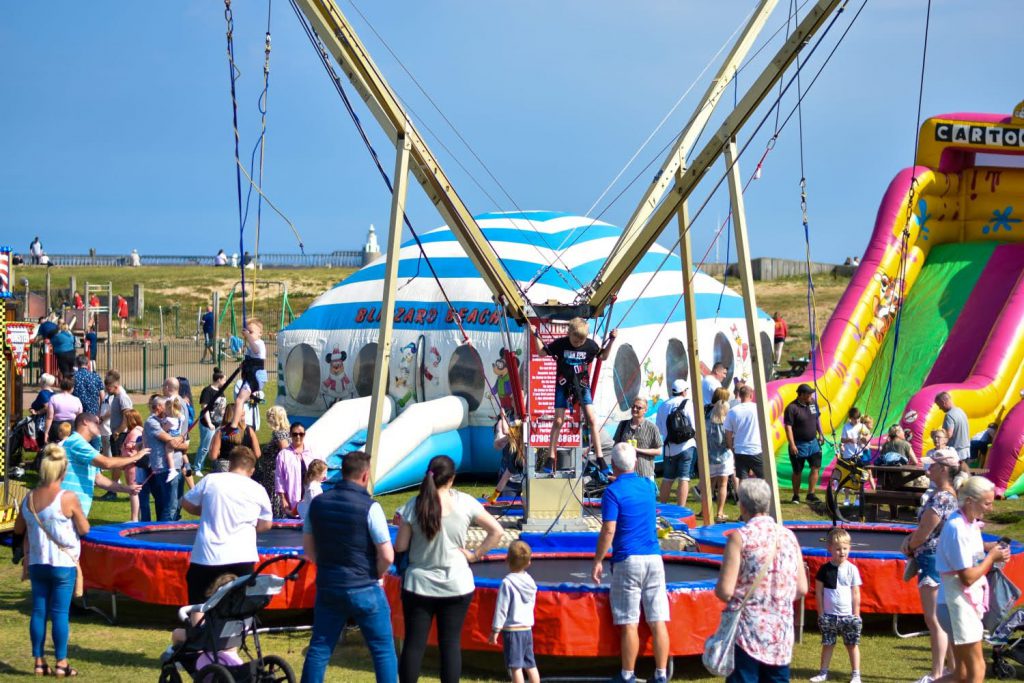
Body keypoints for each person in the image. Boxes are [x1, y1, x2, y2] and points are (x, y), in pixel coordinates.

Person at [394, 455, 503, 683]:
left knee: (414, 645)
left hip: (418, 584)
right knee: (450, 645)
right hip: (456, 584)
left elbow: (401, 546)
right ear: (451, 479)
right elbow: (497, 531)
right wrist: (475, 555)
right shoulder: (465, 502)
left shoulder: (413, 505)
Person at [300, 451, 396, 683]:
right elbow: (387, 555)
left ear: (342, 473)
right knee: (382, 650)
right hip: (364, 586)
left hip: (329, 585)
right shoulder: (370, 507)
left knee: (320, 649)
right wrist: (375, 573)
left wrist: (326, 567)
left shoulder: (318, 504)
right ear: (365, 476)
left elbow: (309, 550)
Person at [592, 442, 670, 683]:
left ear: (613, 465)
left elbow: (608, 529)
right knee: (657, 620)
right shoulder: (648, 486)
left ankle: (627, 674)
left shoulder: (613, 492)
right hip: (654, 558)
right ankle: (660, 673)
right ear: (635, 463)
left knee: (629, 621)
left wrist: (598, 560)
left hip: (628, 560)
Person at [715, 478, 807, 682]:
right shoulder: (788, 537)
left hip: (747, 631)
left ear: (742, 505)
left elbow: (725, 590)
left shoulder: (740, 538)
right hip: (780, 632)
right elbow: (801, 587)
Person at [14, 444, 90, 678]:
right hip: (63, 563)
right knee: (59, 614)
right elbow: (85, 529)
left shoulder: (28, 498)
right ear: (62, 471)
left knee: (39, 611)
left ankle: (38, 661)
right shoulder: (67, 498)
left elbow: (18, 529)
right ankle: (61, 662)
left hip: (37, 562)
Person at [934, 476, 1011, 683]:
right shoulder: (957, 528)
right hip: (956, 604)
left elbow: (968, 552)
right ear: (970, 501)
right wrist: (992, 558)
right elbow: (967, 577)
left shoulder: (968, 523)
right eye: (987, 503)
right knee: (977, 668)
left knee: (962, 674)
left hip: (957, 604)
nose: (991, 508)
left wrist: (989, 548)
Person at [180, 446, 273, 606]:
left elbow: (186, 503)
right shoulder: (258, 489)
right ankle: (235, 630)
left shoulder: (212, 480)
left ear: (230, 465)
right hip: (242, 556)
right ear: (251, 470)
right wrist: (250, 528)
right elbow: (266, 524)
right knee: (238, 606)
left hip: (208, 555)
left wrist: (208, 511)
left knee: (198, 604)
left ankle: (197, 629)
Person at [528, 318, 617, 472]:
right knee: (558, 420)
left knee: (592, 418)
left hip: (582, 386)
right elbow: (541, 353)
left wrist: (612, 340)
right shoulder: (561, 344)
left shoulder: (590, 345)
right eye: (575, 340)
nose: (578, 343)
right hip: (563, 385)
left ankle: (600, 457)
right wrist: (535, 335)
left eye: (581, 340)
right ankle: (551, 457)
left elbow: (603, 356)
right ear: (569, 334)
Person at [904, 449, 960, 683]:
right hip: (937, 558)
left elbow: (926, 531)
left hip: (931, 559)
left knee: (934, 619)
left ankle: (937, 673)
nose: (929, 469)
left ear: (944, 469)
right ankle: (952, 669)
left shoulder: (942, 497)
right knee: (941, 618)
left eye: (934, 465)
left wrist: (908, 544)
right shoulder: (945, 495)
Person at [61, 413, 145, 516]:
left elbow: (98, 479)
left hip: (78, 508)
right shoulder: (76, 442)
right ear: (85, 422)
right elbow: (106, 463)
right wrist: (135, 457)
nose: (99, 426)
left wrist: (126, 489)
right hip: (66, 506)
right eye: (96, 422)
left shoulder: (86, 446)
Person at [810, 527, 863, 683]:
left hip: (848, 616)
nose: (842, 552)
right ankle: (823, 672)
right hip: (829, 615)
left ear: (850, 549)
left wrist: (856, 613)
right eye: (838, 549)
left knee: (852, 644)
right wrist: (821, 613)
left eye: (845, 549)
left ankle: (856, 674)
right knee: (827, 644)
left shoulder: (852, 569)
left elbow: (856, 593)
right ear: (830, 549)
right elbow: (818, 592)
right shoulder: (824, 570)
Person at [489, 539, 540, 683]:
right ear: (529, 562)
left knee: (515, 666)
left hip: (513, 630)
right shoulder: (530, 581)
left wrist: (495, 631)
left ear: (507, 560)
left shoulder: (507, 583)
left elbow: (501, 609)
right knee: (530, 664)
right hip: (527, 629)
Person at [143, 394, 189, 521]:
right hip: (163, 468)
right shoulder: (152, 422)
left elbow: (185, 446)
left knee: (176, 503)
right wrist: (181, 439)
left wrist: (181, 443)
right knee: (168, 506)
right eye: (166, 406)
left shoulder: (171, 419)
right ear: (158, 407)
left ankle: (167, 528)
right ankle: (166, 530)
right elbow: (170, 440)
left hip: (176, 465)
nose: (169, 409)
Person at [655, 379, 697, 505]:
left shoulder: (663, 406)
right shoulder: (688, 403)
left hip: (669, 448)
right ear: (684, 391)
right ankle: (681, 509)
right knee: (684, 478)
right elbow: (694, 426)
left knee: (667, 478)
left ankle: (662, 507)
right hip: (687, 446)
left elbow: (660, 429)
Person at [784, 383, 825, 504]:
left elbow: (817, 419)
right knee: (797, 471)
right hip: (798, 444)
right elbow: (788, 427)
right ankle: (796, 496)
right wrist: (792, 444)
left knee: (815, 467)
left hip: (813, 443)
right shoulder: (792, 408)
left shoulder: (813, 404)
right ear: (801, 395)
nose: (811, 396)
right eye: (808, 394)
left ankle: (811, 494)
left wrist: (821, 433)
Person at [227, 319, 267, 433]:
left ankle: (234, 425)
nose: (249, 334)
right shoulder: (251, 345)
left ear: (260, 333)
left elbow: (256, 350)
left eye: (252, 332)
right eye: (248, 331)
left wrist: (248, 336)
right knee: (240, 400)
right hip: (250, 376)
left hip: (255, 377)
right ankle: (236, 424)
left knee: (239, 400)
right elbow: (250, 356)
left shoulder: (259, 343)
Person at [613, 396, 663, 482]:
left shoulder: (652, 427)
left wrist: (637, 450)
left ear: (645, 410)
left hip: (645, 473)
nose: (635, 409)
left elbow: (658, 451)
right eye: (633, 406)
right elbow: (615, 446)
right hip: (625, 474)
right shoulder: (623, 425)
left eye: (639, 408)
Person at [724, 385, 764, 480]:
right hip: (756, 448)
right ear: (751, 395)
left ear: (740, 395)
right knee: (764, 478)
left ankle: (742, 495)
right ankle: (764, 494)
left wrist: (731, 448)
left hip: (739, 449)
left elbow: (728, 433)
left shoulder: (732, 411)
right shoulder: (758, 408)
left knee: (743, 479)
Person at [707, 398, 736, 522]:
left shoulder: (708, 423)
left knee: (709, 486)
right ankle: (719, 512)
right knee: (722, 485)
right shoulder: (727, 425)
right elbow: (730, 443)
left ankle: (705, 510)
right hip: (724, 457)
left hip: (710, 457)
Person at [207, 404, 260, 474]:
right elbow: (257, 454)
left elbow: (213, 456)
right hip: (243, 466)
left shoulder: (221, 432)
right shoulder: (249, 430)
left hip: (225, 468)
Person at [276, 423, 313, 518]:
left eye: (301, 434)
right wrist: (283, 499)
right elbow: (279, 478)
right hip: (292, 499)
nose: (298, 436)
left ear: (304, 434)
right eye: (295, 434)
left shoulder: (313, 451)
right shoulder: (283, 454)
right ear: (290, 435)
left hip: (310, 498)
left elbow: (322, 471)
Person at [116, 409, 147, 522]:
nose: (122, 421)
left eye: (124, 419)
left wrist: (125, 448)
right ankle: (136, 517)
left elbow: (132, 449)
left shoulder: (134, 432)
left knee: (133, 491)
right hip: (135, 465)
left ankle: (134, 518)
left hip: (131, 465)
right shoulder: (140, 429)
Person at [195, 368, 227, 474]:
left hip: (219, 424)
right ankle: (197, 467)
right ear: (218, 380)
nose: (225, 382)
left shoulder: (221, 391)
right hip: (208, 424)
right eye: (224, 380)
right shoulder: (207, 391)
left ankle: (215, 466)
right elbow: (205, 408)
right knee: (205, 447)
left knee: (216, 446)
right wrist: (209, 423)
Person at [488, 415, 525, 504]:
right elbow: (506, 476)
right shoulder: (515, 456)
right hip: (510, 482)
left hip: (526, 482)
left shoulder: (520, 454)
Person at [261, 405, 292, 512]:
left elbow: (286, 452)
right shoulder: (288, 432)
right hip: (273, 473)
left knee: (274, 500)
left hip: (274, 474)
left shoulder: (279, 434)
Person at [71, 355, 103, 448]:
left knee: (80, 440)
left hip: (79, 413)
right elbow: (102, 396)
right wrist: (100, 412)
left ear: (77, 364)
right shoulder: (95, 376)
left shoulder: (74, 377)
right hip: (93, 411)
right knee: (94, 437)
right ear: (88, 364)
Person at [44, 377, 82, 446]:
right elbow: (79, 417)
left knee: (55, 449)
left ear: (60, 387)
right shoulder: (77, 400)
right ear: (72, 388)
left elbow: (49, 417)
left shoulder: (53, 398)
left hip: (57, 427)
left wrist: (46, 432)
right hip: (71, 427)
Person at [934, 392, 970, 464]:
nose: (939, 408)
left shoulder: (949, 415)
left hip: (956, 454)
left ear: (943, 402)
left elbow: (948, 434)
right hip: (966, 452)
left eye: (939, 405)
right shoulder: (961, 411)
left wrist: (936, 434)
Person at [31, 374, 58, 445]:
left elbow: (47, 407)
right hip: (51, 419)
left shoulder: (43, 393)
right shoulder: (53, 393)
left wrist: (37, 412)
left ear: (43, 382)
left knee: (41, 440)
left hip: (42, 421)